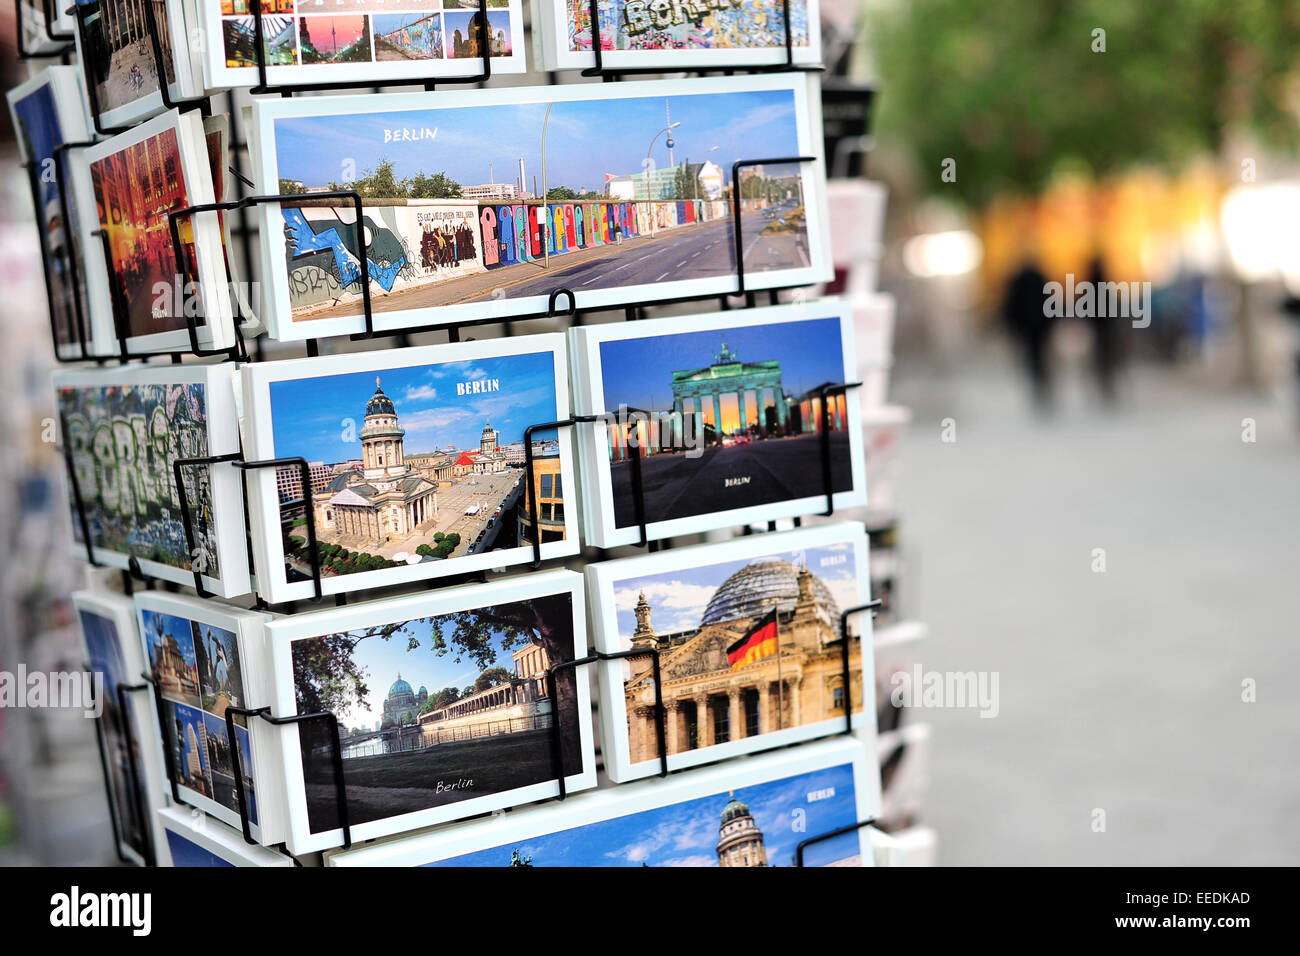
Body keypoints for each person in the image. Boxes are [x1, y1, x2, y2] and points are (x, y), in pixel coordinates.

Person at [1003, 257, 1055, 410]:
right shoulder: (1041, 280)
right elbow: (1050, 303)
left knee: (1033, 358)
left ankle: (1038, 387)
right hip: (1039, 327)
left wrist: (1013, 325)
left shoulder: (1018, 282)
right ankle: (1043, 386)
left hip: (1027, 328)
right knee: (1041, 357)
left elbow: (1012, 305)